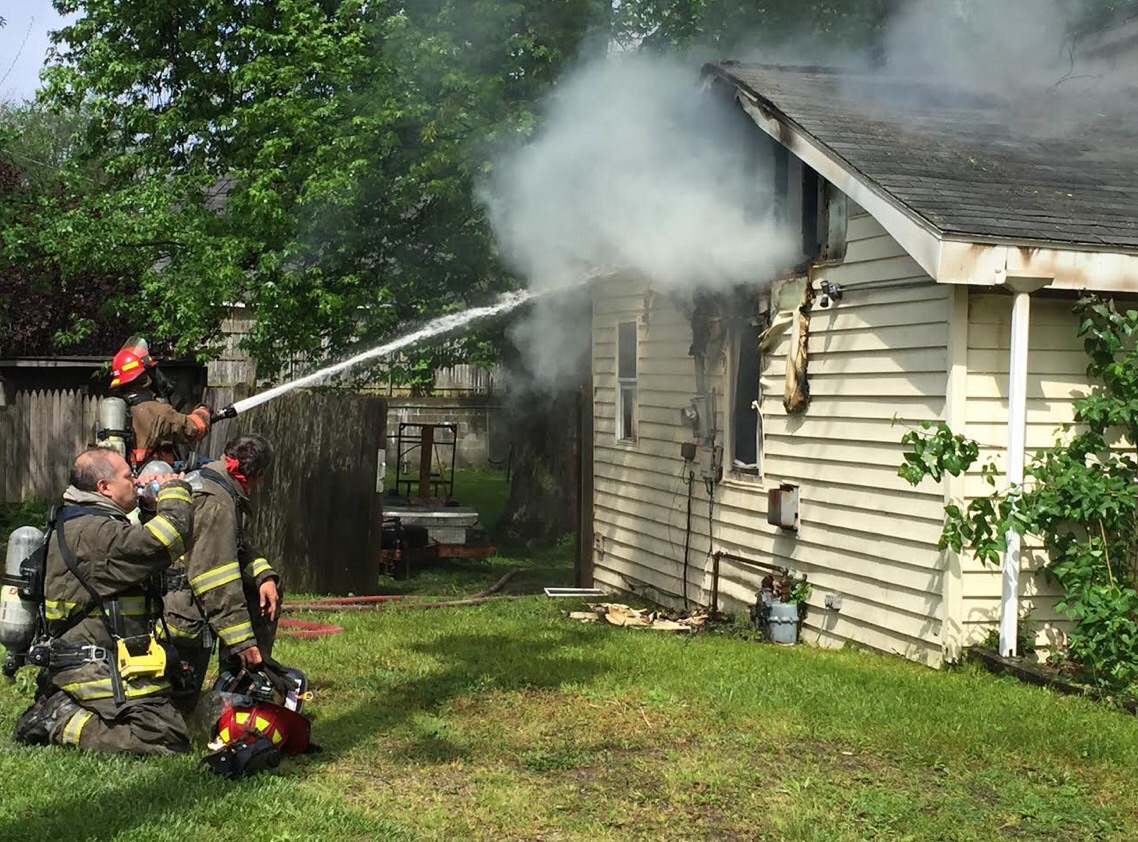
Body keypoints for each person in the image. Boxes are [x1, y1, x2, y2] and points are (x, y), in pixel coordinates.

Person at [12, 449, 194, 755]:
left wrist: (148, 509)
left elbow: (142, 559)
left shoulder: (90, 522)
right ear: (103, 487)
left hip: (100, 653)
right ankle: (60, 717)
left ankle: (62, 701)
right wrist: (174, 491)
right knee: (164, 736)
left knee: (176, 709)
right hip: (89, 662)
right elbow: (166, 542)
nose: (136, 481)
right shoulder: (96, 533)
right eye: (127, 476)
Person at [162, 433, 282, 712]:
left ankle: (236, 686)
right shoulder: (217, 502)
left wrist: (264, 576)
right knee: (179, 710)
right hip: (183, 616)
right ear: (258, 474)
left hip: (188, 606)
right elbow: (215, 578)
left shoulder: (216, 481)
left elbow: (233, 546)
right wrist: (243, 642)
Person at [109, 335, 212, 469]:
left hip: (124, 478)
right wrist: (203, 412)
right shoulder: (158, 411)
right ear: (145, 376)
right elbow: (193, 429)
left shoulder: (114, 410)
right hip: (153, 480)